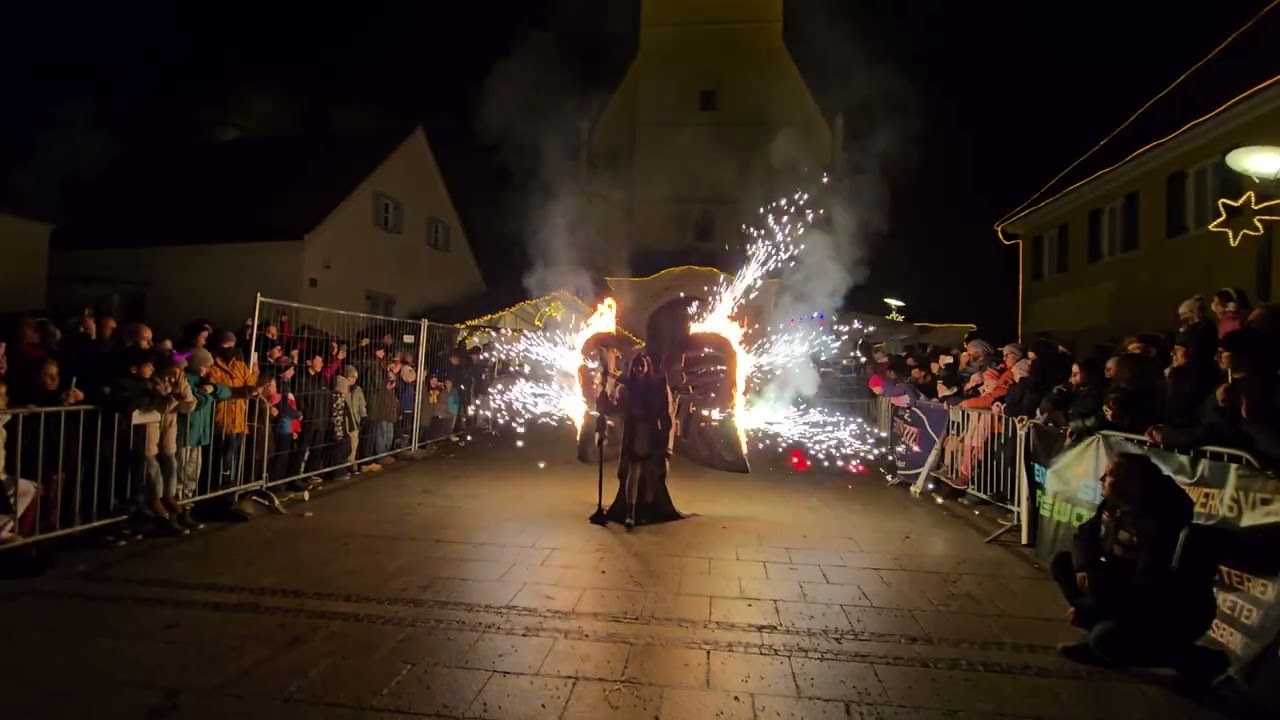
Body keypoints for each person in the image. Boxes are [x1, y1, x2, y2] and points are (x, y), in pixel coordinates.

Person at [1050, 453, 1227, 684]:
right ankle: (1098, 640)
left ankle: (1199, 660)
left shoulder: (1160, 522)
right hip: (1128, 584)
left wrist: (1088, 607)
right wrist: (1086, 566)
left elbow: (1147, 589)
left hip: (1169, 607)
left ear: (1131, 483)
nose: (1101, 478)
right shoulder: (1117, 502)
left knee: (1106, 639)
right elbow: (1085, 533)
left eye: (1109, 475)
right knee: (1063, 563)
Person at [604, 353, 682, 530]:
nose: (639, 369)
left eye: (642, 366)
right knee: (634, 471)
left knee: (650, 474)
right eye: (637, 366)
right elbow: (617, 408)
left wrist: (665, 437)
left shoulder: (656, 386)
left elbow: (665, 412)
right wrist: (605, 402)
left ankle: (646, 510)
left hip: (652, 435)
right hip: (634, 434)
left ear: (647, 367)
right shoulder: (627, 387)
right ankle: (630, 513)